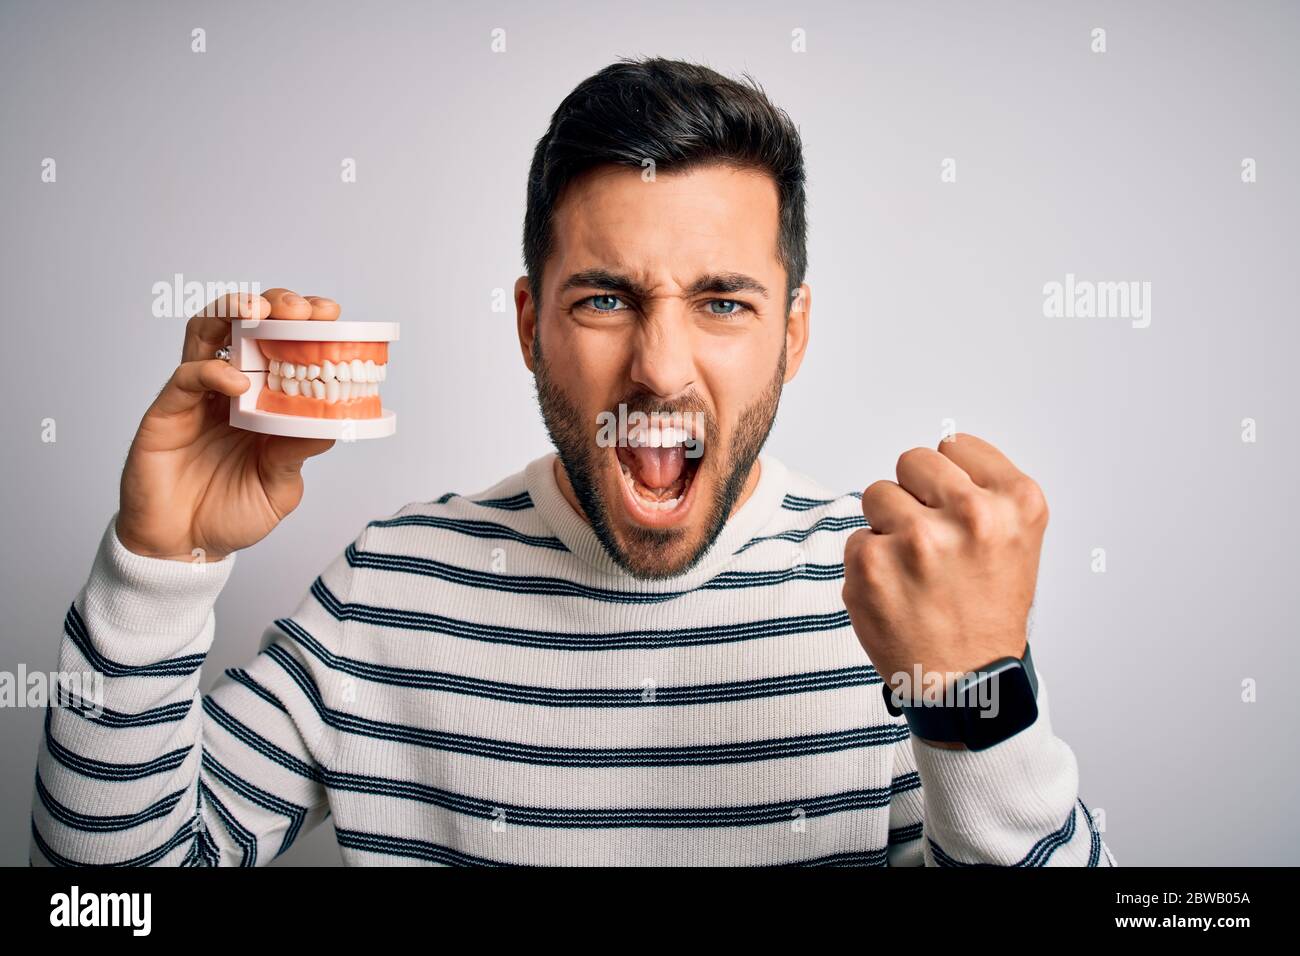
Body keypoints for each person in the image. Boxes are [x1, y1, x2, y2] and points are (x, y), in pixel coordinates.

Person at [30, 56, 1114, 867]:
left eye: (722, 302)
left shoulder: (904, 605)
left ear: (792, 332)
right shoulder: (387, 590)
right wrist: (153, 567)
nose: (658, 368)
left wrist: (977, 698)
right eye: (604, 298)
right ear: (528, 325)